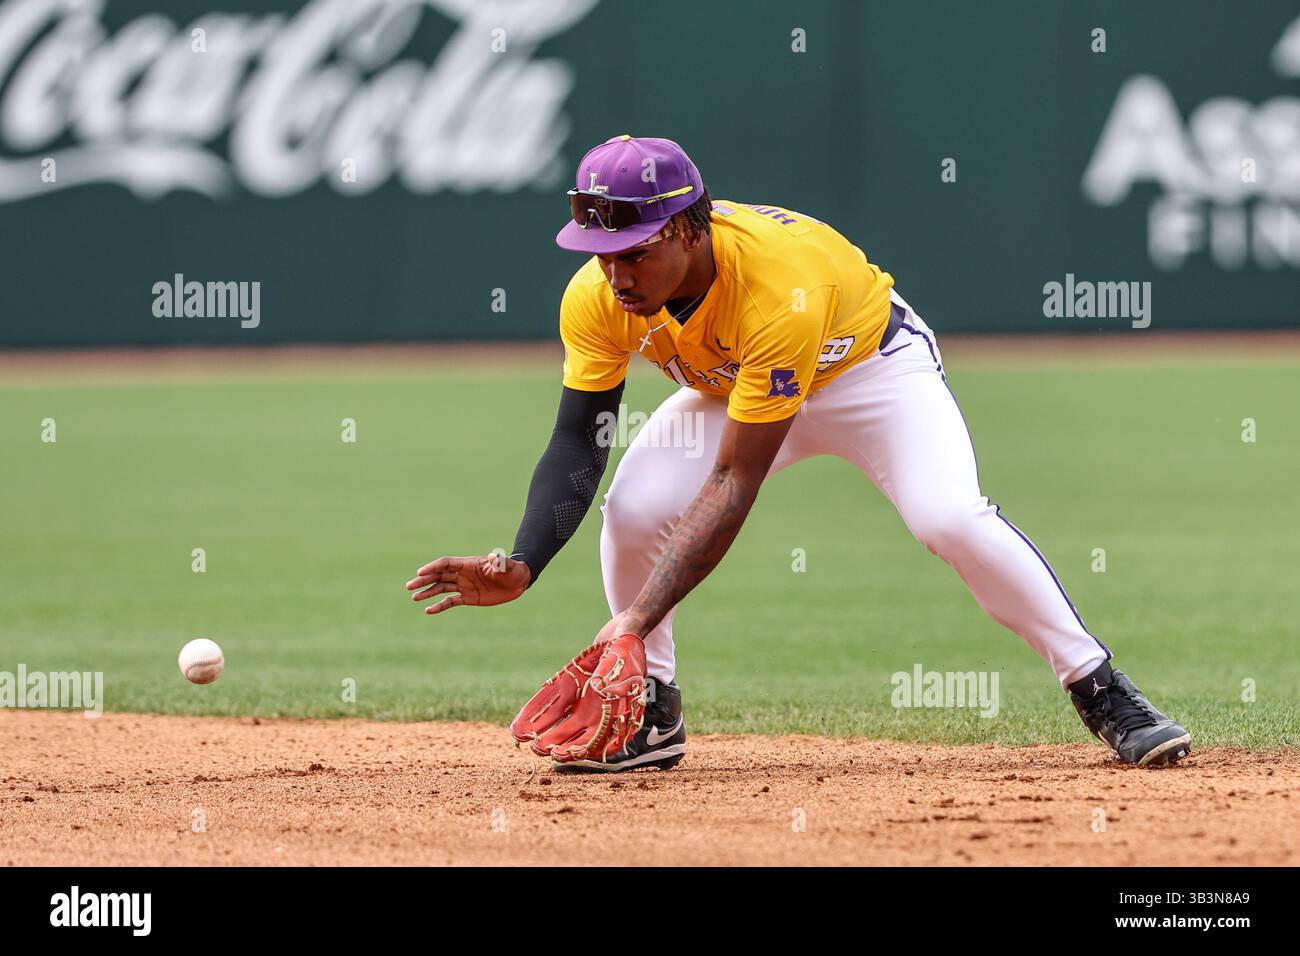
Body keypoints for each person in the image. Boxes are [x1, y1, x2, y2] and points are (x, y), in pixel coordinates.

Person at [406, 135, 1192, 772]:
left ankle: (1099, 686)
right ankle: (653, 712)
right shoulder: (598, 295)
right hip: (737, 383)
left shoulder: (776, 286)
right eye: (600, 251)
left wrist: (632, 622)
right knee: (635, 509)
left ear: (688, 229)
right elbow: (582, 436)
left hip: (870, 374)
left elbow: (733, 481)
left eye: (634, 251)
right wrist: (525, 561)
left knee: (948, 515)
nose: (615, 273)